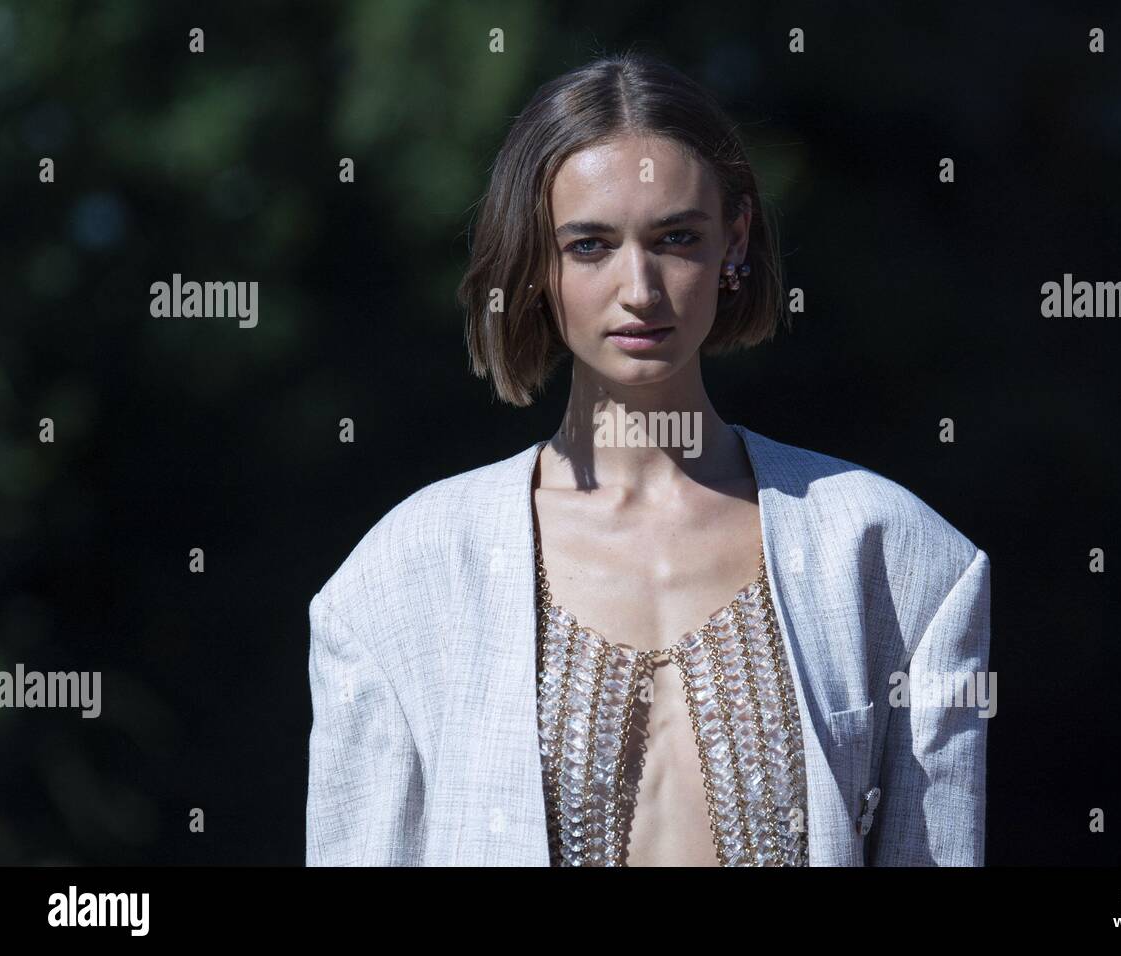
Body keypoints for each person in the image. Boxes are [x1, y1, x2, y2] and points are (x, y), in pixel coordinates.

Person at [306, 51, 991, 867]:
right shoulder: (403, 578)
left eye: (675, 237)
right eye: (590, 245)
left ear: (734, 240)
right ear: (536, 262)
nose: (640, 287)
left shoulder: (897, 557)